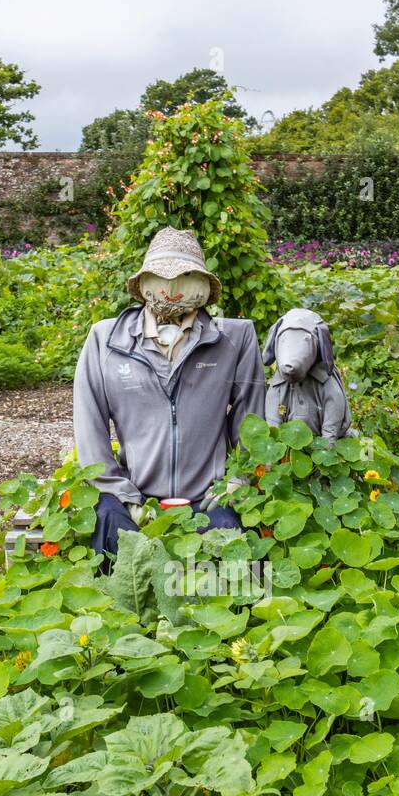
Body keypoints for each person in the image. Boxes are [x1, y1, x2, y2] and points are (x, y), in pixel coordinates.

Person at [73, 227, 265, 558]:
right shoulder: (106, 341)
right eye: (162, 277)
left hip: (210, 497)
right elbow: (90, 430)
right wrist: (124, 495)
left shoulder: (235, 339)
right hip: (134, 496)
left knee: (229, 561)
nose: (173, 288)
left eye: (185, 277)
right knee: (115, 548)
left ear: (202, 285)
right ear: (145, 283)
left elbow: (252, 422)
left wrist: (238, 480)